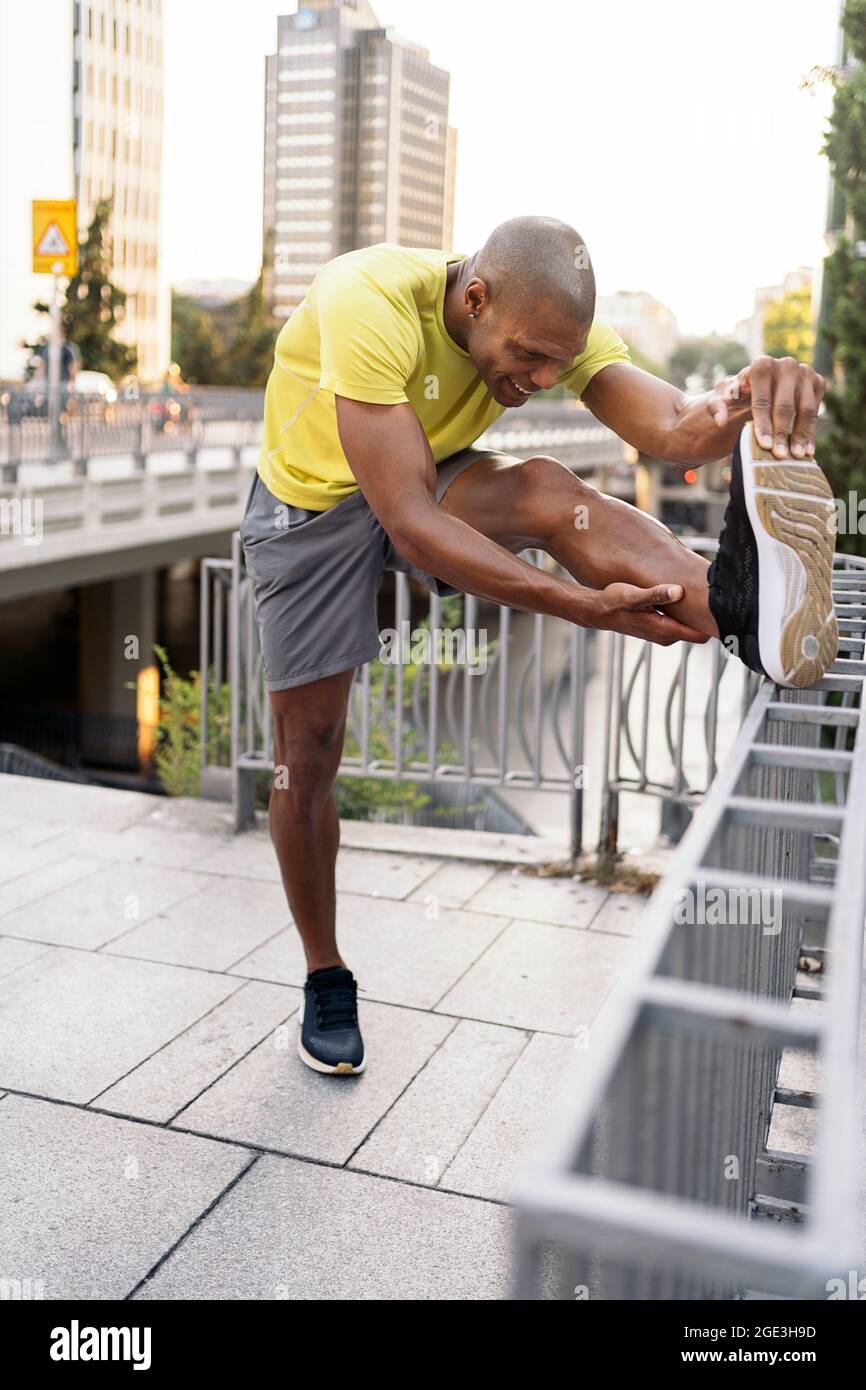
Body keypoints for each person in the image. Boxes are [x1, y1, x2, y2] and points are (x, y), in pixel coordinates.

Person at [240, 215, 836, 1077]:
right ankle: (325, 973)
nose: (547, 378)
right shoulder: (366, 297)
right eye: (530, 357)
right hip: (313, 506)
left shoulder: (547, 323)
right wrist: (579, 605)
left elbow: (672, 428)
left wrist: (747, 398)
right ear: (473, 298)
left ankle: (741, 609)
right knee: (308, 754)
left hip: (426, 471)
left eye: (563, 359)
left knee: (557, 492)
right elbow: (406, 526)